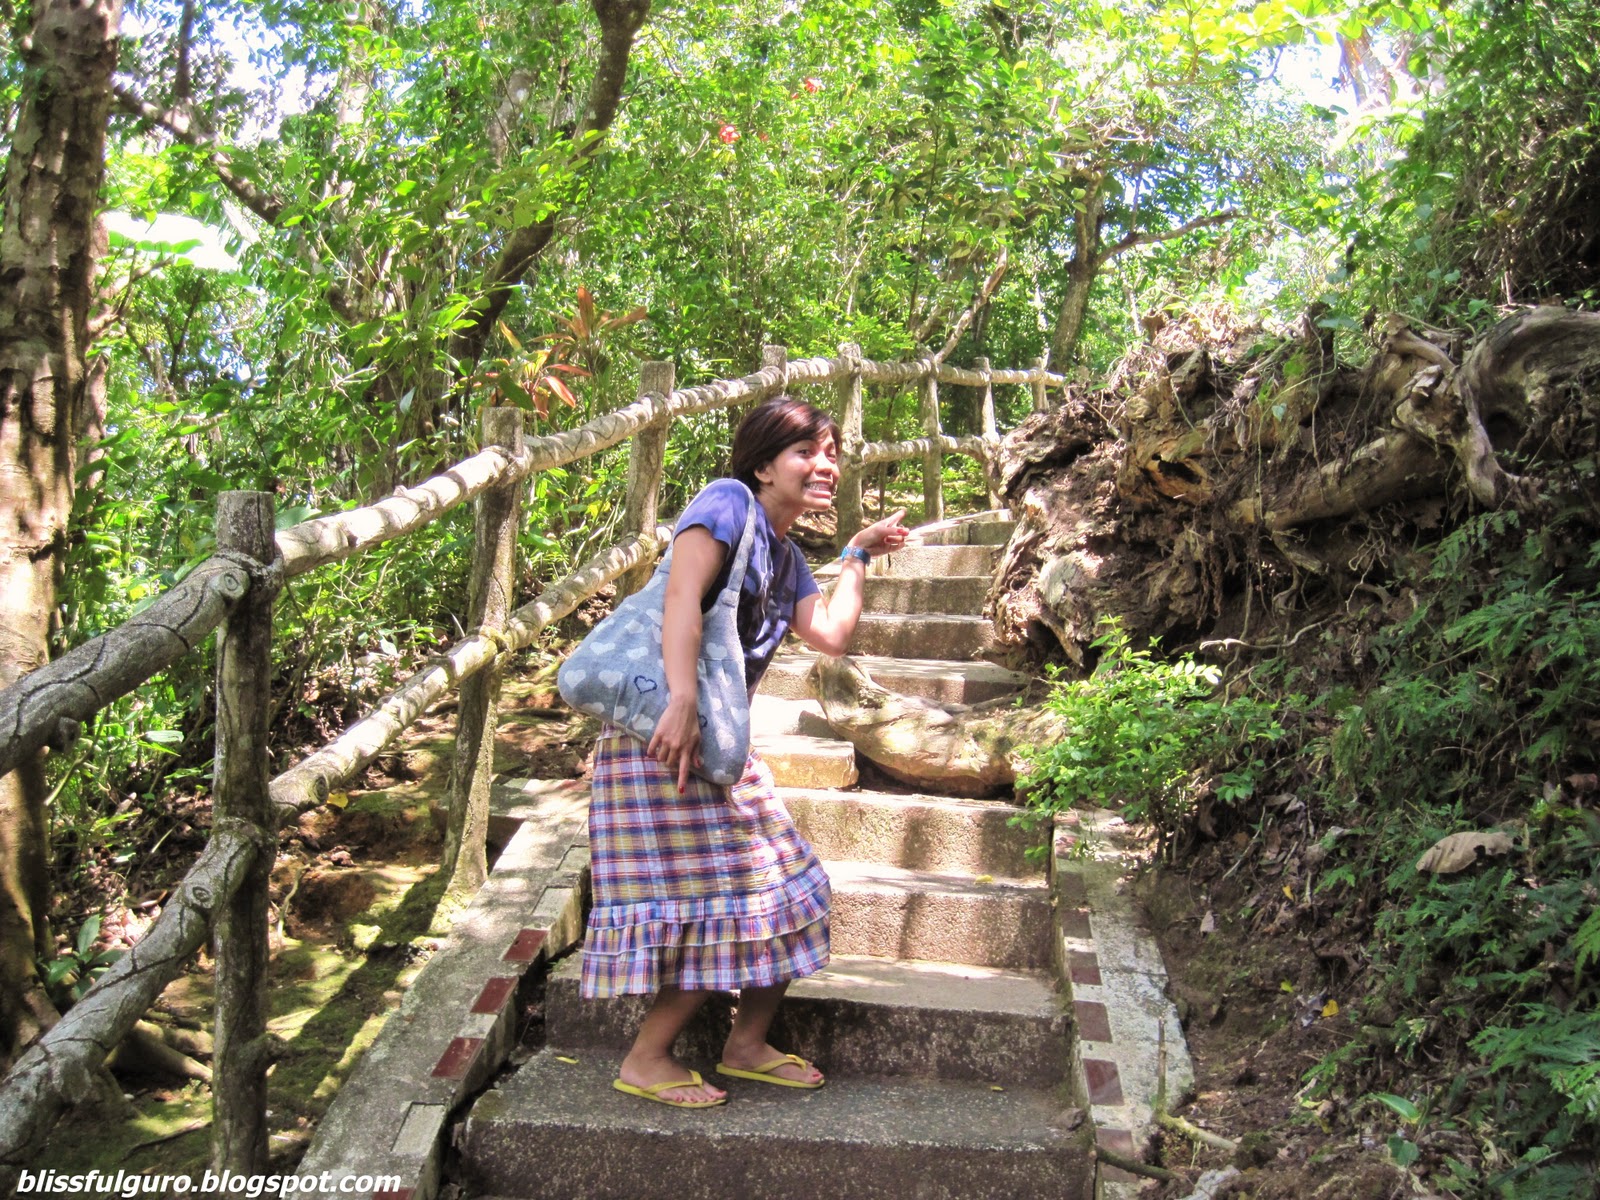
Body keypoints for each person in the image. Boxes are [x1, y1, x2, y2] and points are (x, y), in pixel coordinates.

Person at [579, 395, 910, 1109]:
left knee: (794, 889)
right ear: (764, 464)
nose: (824, 465)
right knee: (722, 900)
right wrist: (681, 699)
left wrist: (854, 554)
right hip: (661, 739)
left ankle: (746, 1044)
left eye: (832, 453)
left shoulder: (785, 555)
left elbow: (829, 635)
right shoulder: (726, 502)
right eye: (806, 452)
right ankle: (646, 1058)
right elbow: (680, 599)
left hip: (712, 747)